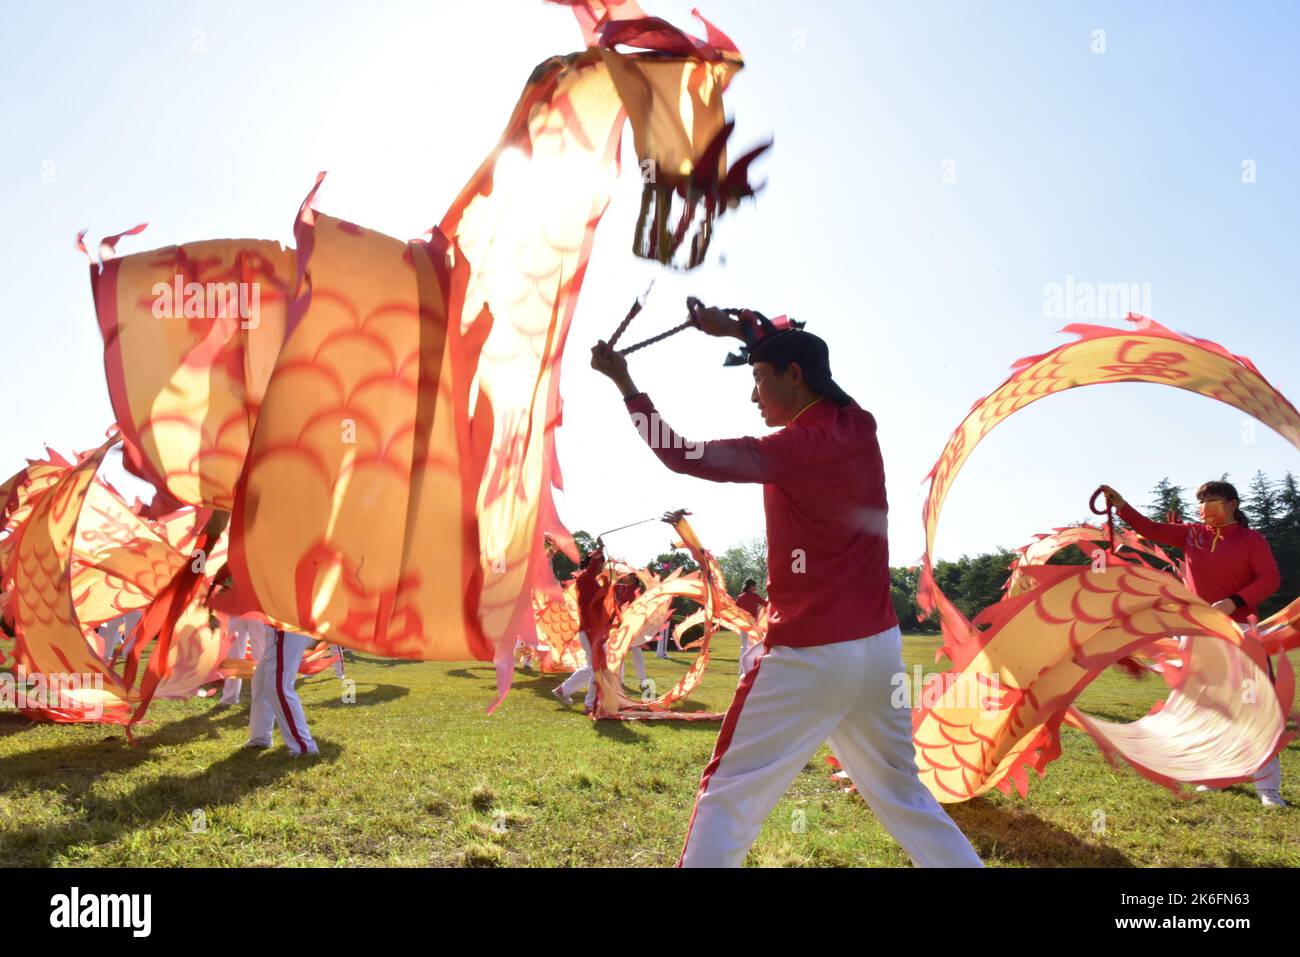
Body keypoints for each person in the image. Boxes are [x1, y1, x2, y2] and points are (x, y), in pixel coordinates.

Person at [590, 299, 982, 868]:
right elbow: (780, 338)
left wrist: (625, 383)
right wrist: (734, 328)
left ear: (793, 376)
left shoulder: (792, 449)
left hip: (808, 655)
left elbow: (678, 454)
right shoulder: (859, 423)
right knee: (904, 795)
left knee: (727, 796)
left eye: (757, 379)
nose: (753, 396)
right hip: (877, 650)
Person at [1100, 480, 1285, 806]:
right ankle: (1216, 775)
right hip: (1198, 631)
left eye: (1214, 501)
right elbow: (1150, 528)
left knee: (1256, 702)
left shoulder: (1250, 539)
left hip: (1239, 628)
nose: (1206, 508)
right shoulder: (1191, 534)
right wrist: (1121, 504)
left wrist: (1234, 601)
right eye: (1202, 502)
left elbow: (1270, 578)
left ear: (1232, 504)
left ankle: (1267, 787)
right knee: (1208, 704)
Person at [552, 545, 614, 711]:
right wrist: (599, 551)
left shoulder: (590, 581)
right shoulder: (585, 579)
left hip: (592, 629)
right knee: (596, 667)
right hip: (589, 629)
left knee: (592, 666)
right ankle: (590, 704)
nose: (602, 566)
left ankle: (563, 690)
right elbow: (593, 567)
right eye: (600, 563)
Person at [734, 578, 766, 674]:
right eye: (754, 586)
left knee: (744, 645)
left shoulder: (740, 597)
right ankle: (751, 666)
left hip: (742, 624)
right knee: (754, 644)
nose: (755, 587)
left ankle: (741, 669)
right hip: (752, 624)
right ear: (751, 586)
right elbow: (766, 604)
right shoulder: (754, 596)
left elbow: (735, 609)